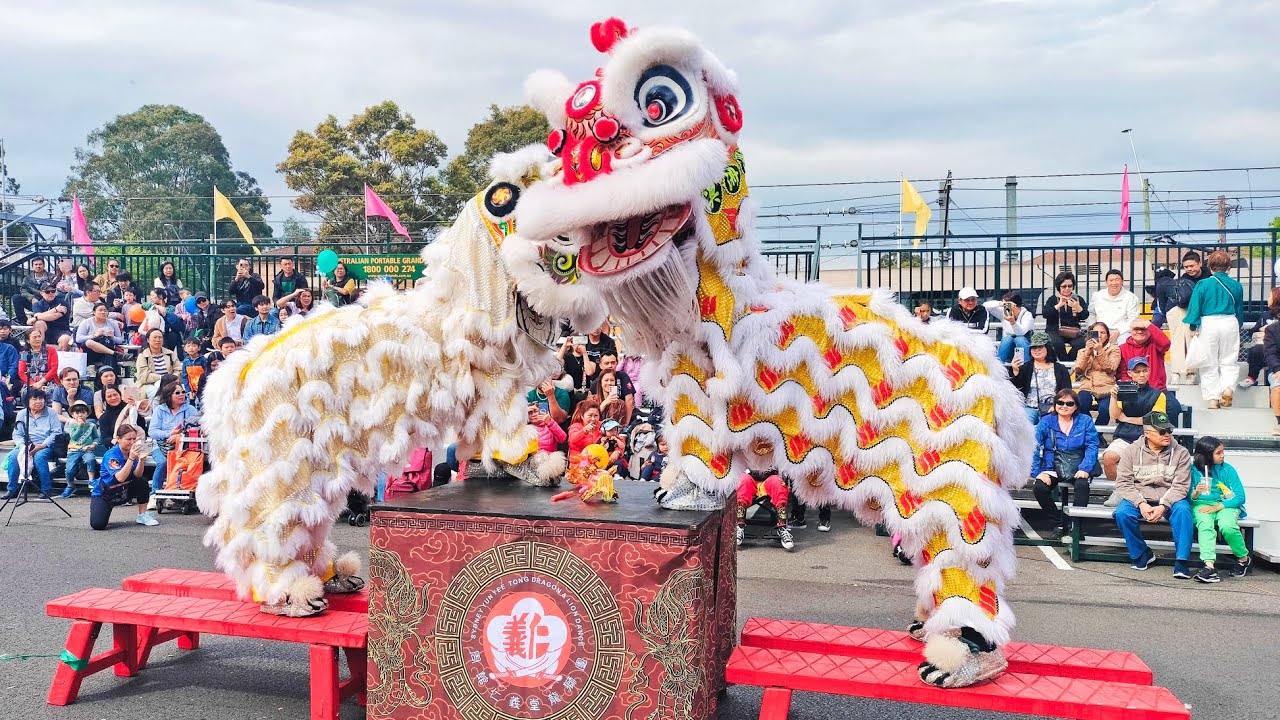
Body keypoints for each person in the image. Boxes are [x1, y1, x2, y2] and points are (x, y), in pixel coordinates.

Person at [1112, 411, 1193, 578]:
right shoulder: (1131, 451)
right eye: (1162, 431)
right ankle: (1141, 553)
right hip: (1141, 496)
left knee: (1183, 511)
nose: (1168, 435)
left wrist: (1163, 506)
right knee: (1122, 513)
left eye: (1169, 430)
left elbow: (1181, 486)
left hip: (1170, 497)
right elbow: (1123, 483)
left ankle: (1182, 561)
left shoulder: (1181, 452)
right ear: (1147, 433)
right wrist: (1141, 504)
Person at [1030, 389, 1099, 539]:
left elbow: (1092, 446)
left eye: (1069, 403)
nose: (1064, 406)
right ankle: (1059, 523)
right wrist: (1038, 472)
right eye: (1060, 402)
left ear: (1076, 406)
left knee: (1082, 485)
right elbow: (1034, 446)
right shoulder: (1046, 421)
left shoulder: (1085, 421)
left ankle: (1076, 525)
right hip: (1051, 465)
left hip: (1077, 465)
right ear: (1055, 405)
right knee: (1039, 488)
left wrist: (1085, 468)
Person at [1184, 250, 1244, 409]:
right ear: (1228, 267)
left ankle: (1212, 399)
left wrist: (1193, 325)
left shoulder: (1203, 284)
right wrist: (1238, 324)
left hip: (1209, 323)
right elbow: (1239, 310)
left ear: (1209, 266)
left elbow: (1195, 307)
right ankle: (1228, 389)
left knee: (1208, 362)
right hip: (1230, 322)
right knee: (1229, 360)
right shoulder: (1236, 285)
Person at [1188, 436, 1252, 583]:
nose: (1222, 455)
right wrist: (1196, 492)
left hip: (1225, 504)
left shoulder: (1228, 469)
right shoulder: (1193, 470)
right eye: (1218, 453)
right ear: (1206, 455)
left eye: (1223, 451)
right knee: (1205, 524)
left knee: (1227, 526)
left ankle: (1243, 558)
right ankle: (1209, 566)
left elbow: (1240, 497)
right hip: (1200, 504)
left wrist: (1219, 506)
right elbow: (1187, 498)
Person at [1100, 356, 1171, 480]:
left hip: (1149, 438)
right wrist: (1113, 397)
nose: (1141, 374)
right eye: (1137, 372)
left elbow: (1154, 420)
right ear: (1130, 373)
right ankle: (1119, 488)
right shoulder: (1123, 390)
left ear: (1149, 371)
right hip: (1124, 436)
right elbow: (1114, 416)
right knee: (1108, 458)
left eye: (1144, 371)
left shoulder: (1158, 394)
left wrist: (1126, 419)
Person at [89, 424, 159, 529]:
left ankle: (142, 514)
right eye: (128, 439)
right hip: (106, 492)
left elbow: (137, 475)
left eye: (134, 439)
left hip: (124, 489)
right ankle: (104, 510)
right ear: (118, 439)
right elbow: (120, 477)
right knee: (98, 525)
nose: (132, 442)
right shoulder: (111, 455)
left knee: (142, 481)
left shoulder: (133, 451)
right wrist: (131, 458)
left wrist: (141, 460)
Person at [1118, 317, 1181, 422]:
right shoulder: (1123, 348)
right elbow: (1123, 372)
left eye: (1143, 329)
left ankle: (1166, 435)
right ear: (1130, 331)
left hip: (1158, 390)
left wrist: (1148, 324)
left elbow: (1166, 343)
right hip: (1134, 390)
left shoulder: (1155, 344)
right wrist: (1133, 387)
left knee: (1174, 408)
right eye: (1136, 329)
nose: (1139, 331)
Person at [2, 389, 62, 498]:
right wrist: (22, 446)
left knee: (39, 457)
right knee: (13, 457)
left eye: (41, 399)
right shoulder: (22, 414)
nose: (38, 401)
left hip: (45, 445)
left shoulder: (51, 413)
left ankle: (46, 489)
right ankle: (12, 489)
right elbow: (17, 434)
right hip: (26, 445)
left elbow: (56, 433)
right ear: (27, 401)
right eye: (34, 399)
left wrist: (43, 445)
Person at [146, 382, 198, 507]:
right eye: (177, 393)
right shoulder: (160, 410)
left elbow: (197, 428)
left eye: (183, 392)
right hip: (160, 446)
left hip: (183, 447)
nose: (182, 395)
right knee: (163, 462)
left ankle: (181, 492)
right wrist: (170, 434)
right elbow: (152, 431)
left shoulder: (191, 410)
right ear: (169, 395)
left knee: (189, 463)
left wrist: (179, 436)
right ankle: (154, 494)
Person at [1008, 331, 1071, 425]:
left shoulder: (1060, 369)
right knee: (1025, 421)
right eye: (1034, 347)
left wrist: (1057, 406)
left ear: (1048, 348)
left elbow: (1066, 391)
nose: (1036, 350)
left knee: (1049, 424)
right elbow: (1015, 389)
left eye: (1040, 347)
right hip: (1029, 407)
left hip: (1053, 408)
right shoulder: (1026, 367)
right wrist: (1015, 372)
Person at [1166, 251, 1205, 384]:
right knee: (1178, 340)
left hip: (1199, 312)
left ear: (1200, 263)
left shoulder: (1208, 277)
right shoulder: (1183, 278)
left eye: (1192, 266)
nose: (1189, 269)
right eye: (1186, 266)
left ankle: (1191, 373)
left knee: (1192, 341)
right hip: (1182, 309)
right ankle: (1176, 372)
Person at [735, 468, 794, 550]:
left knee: (778, 483)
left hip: (771, 476)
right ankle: (739, 527)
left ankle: (782, 528)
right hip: (749, 476)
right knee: (743, 481)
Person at [1074, 322, 1121, 425]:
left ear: (1108, 335)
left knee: (1105, 409)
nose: (1099, 335)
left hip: (1106, 386)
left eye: (1103, 332)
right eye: (1096, 332)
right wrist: (1087, 353)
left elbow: (1111, 368)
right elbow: (1078, 370)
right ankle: (1090, 429)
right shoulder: (1083, 351)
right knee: (1080, 405)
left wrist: (1100, 351)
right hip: (1087, 386)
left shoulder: (1114, 349)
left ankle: (1097, 435)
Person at [1041, 271, 1089, 362]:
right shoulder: (1053, 299)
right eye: (1064, 286)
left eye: (1070, 286)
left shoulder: (1078, 299)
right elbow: (1045, 314)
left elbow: (1085, 316)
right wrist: (1058, 305)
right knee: (1057, 343)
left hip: (1073, 331)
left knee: (1081, 343)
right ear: (1059, 286)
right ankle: (1065, 364)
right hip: (1055, 330)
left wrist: (1077, 307)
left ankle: (1067, 363)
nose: (1067, 289)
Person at [59, 400, 100, 497]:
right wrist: (79, 427)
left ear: (87, 414)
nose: (80, 415)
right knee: (69, 469)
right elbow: (74, 437)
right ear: (73, 415)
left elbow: (96, 437)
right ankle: (70, 485)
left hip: (87, 450)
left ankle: (91, 481)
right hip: (74, 450)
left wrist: (94, 444)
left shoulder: (91, 425)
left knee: (90, 460)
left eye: (83, 412)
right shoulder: (72, 425)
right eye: (77, 413)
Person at [1090, 270, 1140, 340]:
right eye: (1111, 280)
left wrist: (1119, 331)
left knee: (1124, 343)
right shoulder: (1097, 296)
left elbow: (1133, 319)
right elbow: (1091, 314)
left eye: (1117, 280)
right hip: (1099, 331)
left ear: (1122, 281)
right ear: (1106, 282)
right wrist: (1095, 329)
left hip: (1122, 332)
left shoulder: (1131, 297)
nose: (1114, 283)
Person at [76, 302, 124, 369]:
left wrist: (112, 337)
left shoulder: (113, 323)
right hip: (91, 351)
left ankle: (111, 373)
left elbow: (120, 340)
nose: (103, 312)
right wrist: (94, 335)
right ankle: (115, 354)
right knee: (89, 342)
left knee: (108, 354)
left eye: (105, 310)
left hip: (107, 346)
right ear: (94, 312)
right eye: (100, 310)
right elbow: (78, 338)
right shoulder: (86, 322)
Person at [989, 292, 1034, 363]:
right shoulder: (1003, 312)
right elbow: (985, 306)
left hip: (1024, 342)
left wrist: (1013, 322)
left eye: (1007, 305)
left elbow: (1021, 332)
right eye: (1004, 305)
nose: (1005, 307)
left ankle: (1025, 366)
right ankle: (1000, 365)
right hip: (1009, 344)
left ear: (1014, 305)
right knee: (1007, 339)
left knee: (1020, 340)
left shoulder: (1027, 315)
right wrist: (1000, 304)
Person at [135, 328, 180, 396]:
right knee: (154, 392)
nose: (158, 340)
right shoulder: (143, 356)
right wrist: (162, 378)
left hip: (170, 383)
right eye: (155, 337)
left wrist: (173, 378)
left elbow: (178, 369)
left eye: (160, 337)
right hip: (149, 385)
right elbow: (144, 377)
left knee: (181, 393)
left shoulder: (170, 354)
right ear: (148, 340)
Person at [31, 282, 74, 349]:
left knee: (66, 339)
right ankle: (42, 347)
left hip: (61, 330)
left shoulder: (62, 303)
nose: (51, 293)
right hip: (45, 331)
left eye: (53, 291)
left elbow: (54, 317)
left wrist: (36, 317)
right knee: (39, 323)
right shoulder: (37, 305)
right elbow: (38, 315)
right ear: (41, 293)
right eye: (47, 292)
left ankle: (47, 349)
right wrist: (55, 310)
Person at [17, 327, 59, 396]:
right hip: (30, 382)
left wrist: (41, 382)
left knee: (50, 392)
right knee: (27, 393)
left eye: (39, 336)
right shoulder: (25, 353)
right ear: (28, 340)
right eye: (34, 337)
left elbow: (53, 369)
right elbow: (22, 373)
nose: (38, 339)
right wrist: (33, 384)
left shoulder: (51, 350)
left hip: (49, 381)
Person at [10, 256, 51, 325]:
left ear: (44, 265)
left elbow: (53, 290)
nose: (38, 266)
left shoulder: (51, 276)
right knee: (16, 297)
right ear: (32, 266)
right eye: (36, 264)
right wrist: (31, 298)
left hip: (46, 303)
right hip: (33, 302)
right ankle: (23, 322)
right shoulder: (28, 277)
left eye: (40, 264)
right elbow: (23, 289)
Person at [96, 386, 138, 451]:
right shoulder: (104, 417)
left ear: (120, 395)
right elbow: (105, 438)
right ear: (105, 399)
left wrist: (134, 407)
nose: (113, 398)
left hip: (136, 444)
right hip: (117, 447)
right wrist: (117, 441)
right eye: (109, 396)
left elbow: (141, 426)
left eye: (115, 395)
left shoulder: (130, 408)